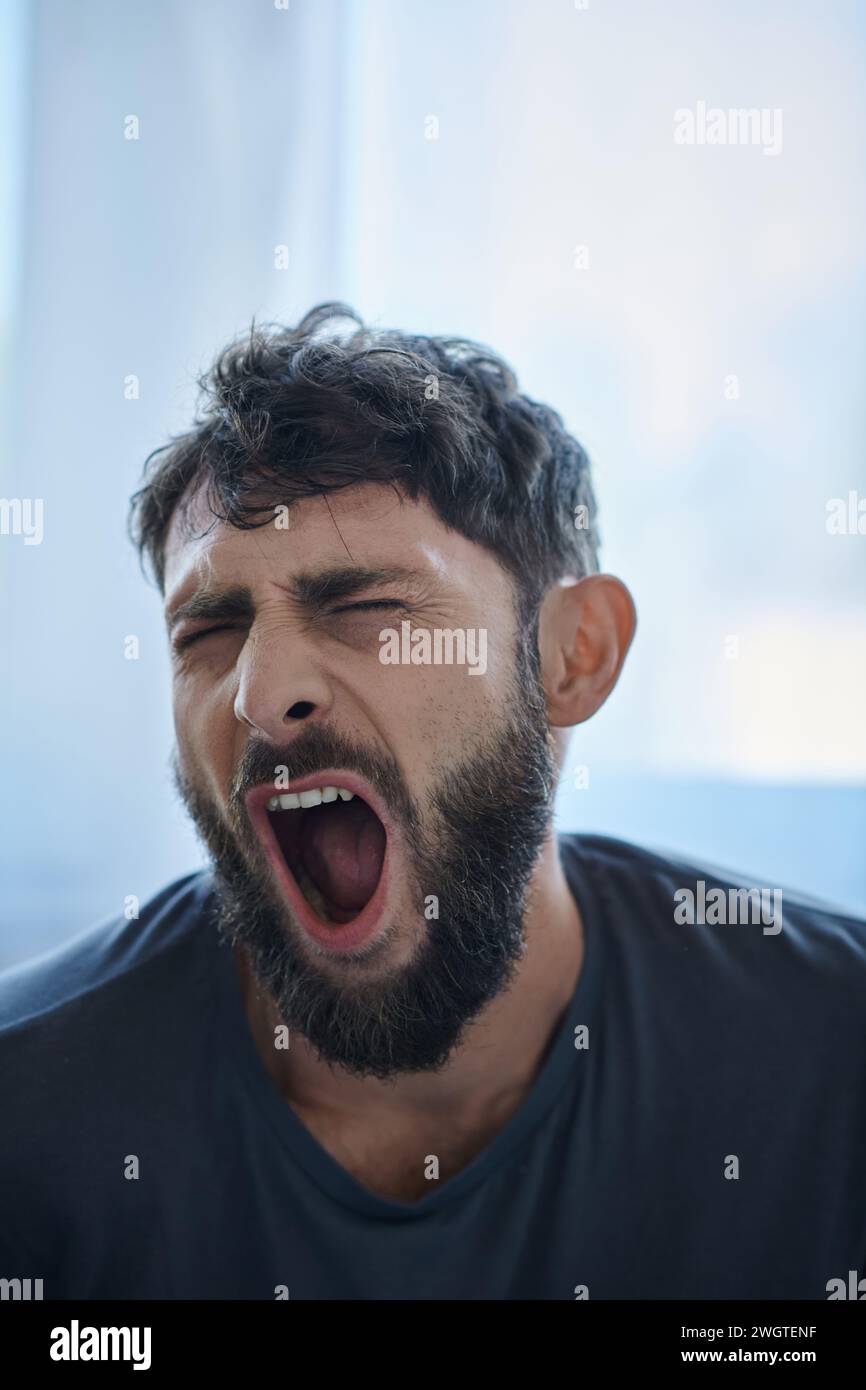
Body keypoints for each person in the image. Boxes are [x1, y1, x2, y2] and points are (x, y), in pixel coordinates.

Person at [1, 303, 863, 1301]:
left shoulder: (834, 1069)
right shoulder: (27, 1118)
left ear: (573, 657)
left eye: (365, 605)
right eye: (210, 631)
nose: (261, 692)